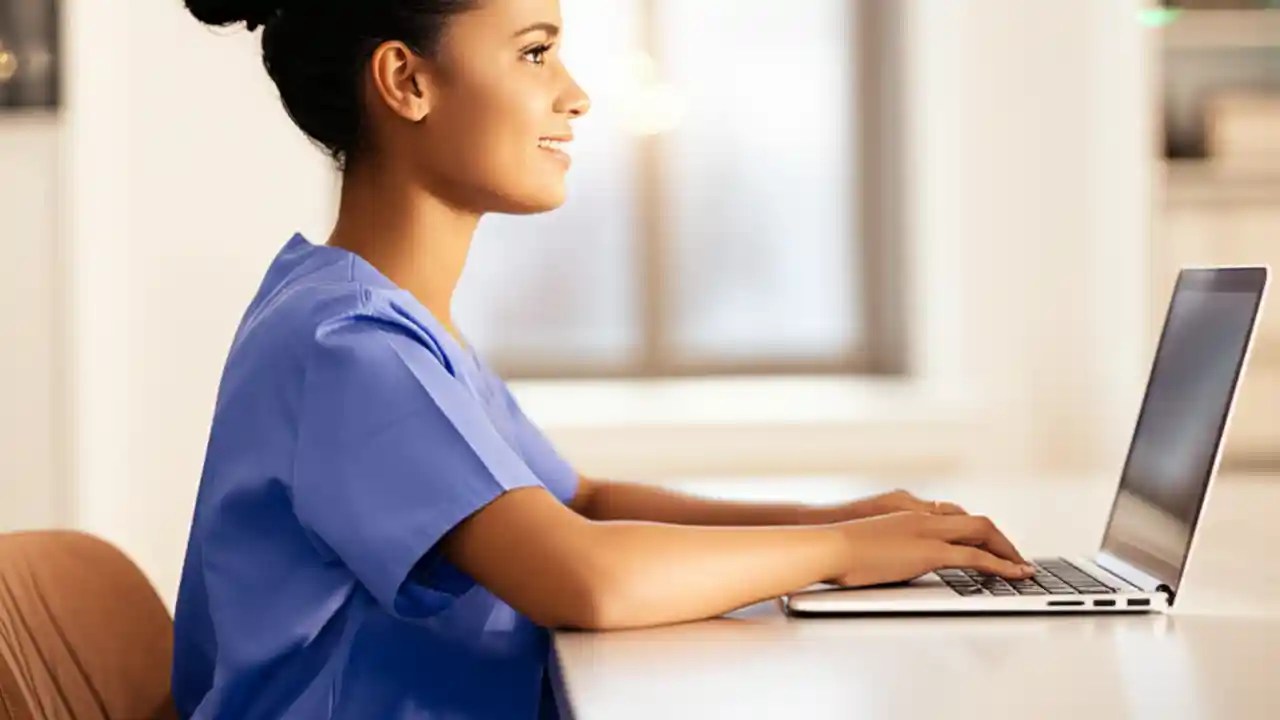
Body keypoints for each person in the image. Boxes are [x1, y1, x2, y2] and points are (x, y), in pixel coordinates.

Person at [172, 0, 1037, 717]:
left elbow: (579, 502)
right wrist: (844, 549)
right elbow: (585, 579)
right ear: (407, 80)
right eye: (536, 54)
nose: (576, 96)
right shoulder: (349, 348)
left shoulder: (388, 321)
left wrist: (832, 522)